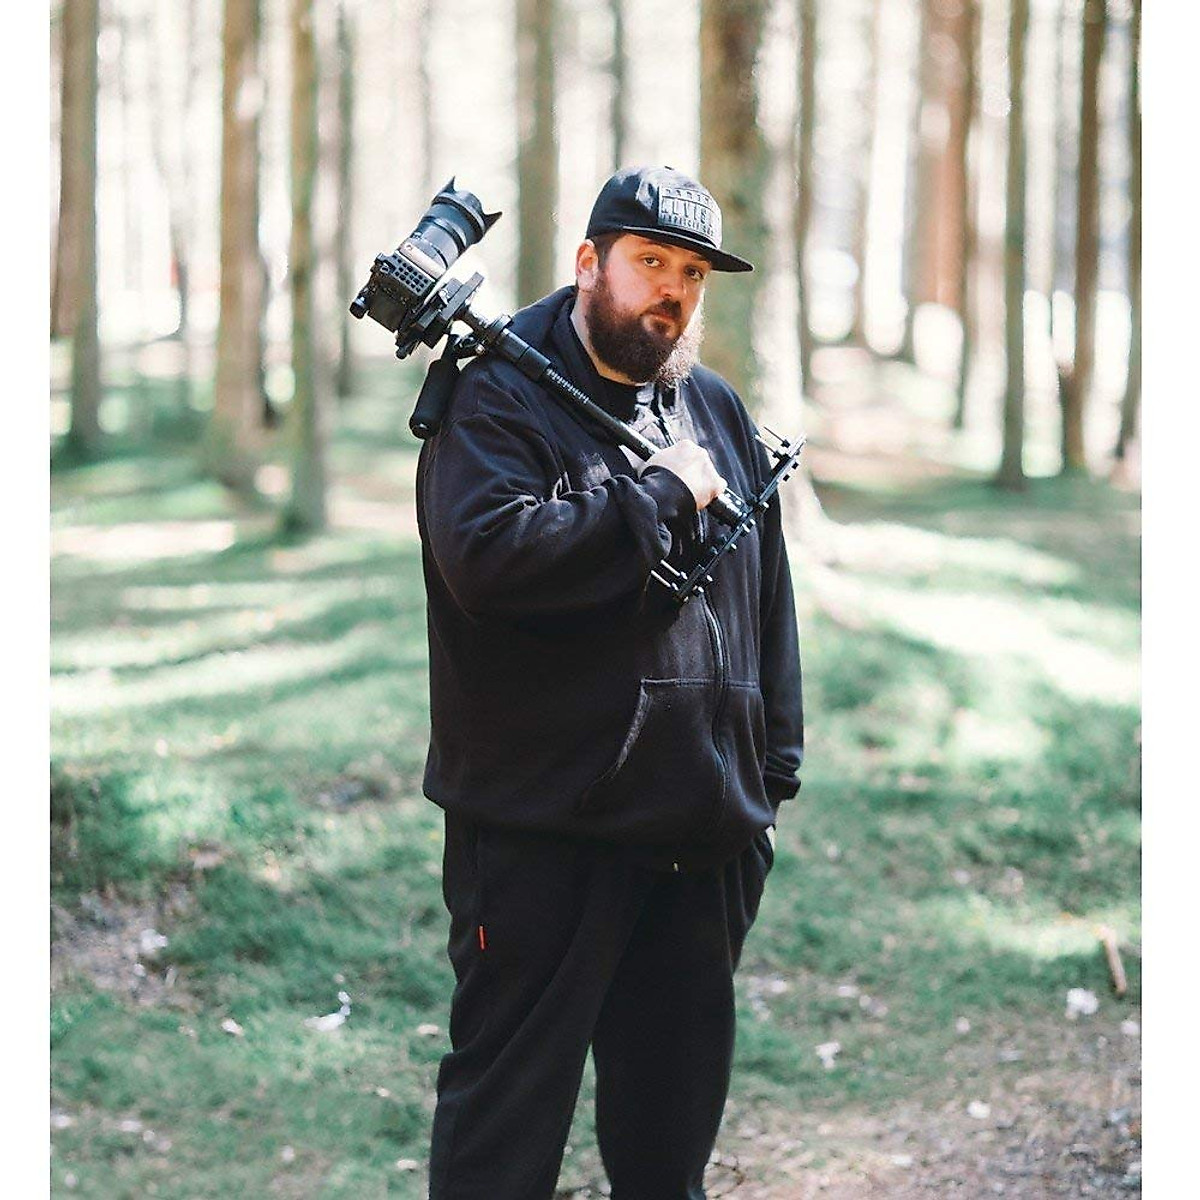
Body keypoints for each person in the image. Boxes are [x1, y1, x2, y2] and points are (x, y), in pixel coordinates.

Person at [416, 165, 804, 1200]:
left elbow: (766, 595)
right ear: (589, 262)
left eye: (691, 274)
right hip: (544, 836)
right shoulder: (500, 394)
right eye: (649, 262)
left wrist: (770, 776)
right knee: (503, 1138)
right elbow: (489, 560)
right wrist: (659, 496)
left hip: (699, 840)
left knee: (668, 1144)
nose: (671, 291)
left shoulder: (712, 405)